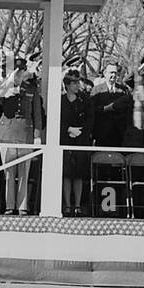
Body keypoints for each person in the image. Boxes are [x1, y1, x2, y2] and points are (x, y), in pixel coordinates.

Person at [0, 51, 44, 215]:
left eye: (22, 70)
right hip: (7, 132)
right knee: (8, 172)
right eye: (17, 70)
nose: (20, 73)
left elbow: (37, 113)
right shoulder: (5, 87)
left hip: (26, 133)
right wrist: (7, 89)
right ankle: (9, 206)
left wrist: (37, 135)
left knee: (24, 172)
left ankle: (22, 206)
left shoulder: (32, 88)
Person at [60, 67, 94, 215]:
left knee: (79, 174)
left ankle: (78, 204)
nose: (76, 85)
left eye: (77, 82)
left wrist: (80, 131)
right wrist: (68, 129)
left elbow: (90, 118)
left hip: (81, 140)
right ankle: (67, 205)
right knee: (67, 174)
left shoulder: (85, 100)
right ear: (67, 84)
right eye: (73, 83)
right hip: (65, 139)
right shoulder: (61, 100)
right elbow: (57, 119)